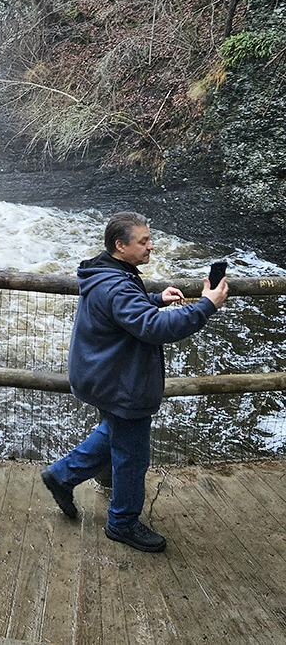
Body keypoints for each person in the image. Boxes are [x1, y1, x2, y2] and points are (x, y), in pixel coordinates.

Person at [41, 211, 228, 553]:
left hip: (102, 373)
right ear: (120, 245)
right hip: (118, 381)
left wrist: (155, 299)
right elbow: (154, 328)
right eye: (143, 241)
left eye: (149, 239)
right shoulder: (117, 284)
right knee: (132, 456)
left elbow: (125, 311)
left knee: (115, 433)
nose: (150, 246)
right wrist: (206, 305)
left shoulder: (107, 272)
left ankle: (61, 476)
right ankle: (122, 523)